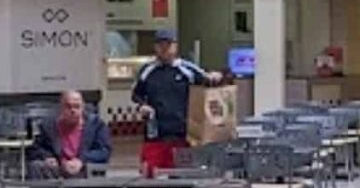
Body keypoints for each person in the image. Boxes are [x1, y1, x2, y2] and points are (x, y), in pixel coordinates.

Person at [130, 32, 229, 176]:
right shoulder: (147, 71)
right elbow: (136, 95)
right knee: (148, 175)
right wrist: (142, 106)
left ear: (175, 47)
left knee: (180, 178)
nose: (164, 49)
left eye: (168, 45)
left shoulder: (187, 69)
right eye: (160, 45)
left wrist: (217, 76)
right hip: (155, 134)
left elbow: (209, 82)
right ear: (155, 47)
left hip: (182, 134)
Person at [28, 88, 112, 180]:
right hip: (57, 169)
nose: (73, 110)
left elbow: (104, 151)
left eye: (77, 106)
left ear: (83, 107)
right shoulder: (49, 126)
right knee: (36, 166)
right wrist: (47, 157)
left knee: (78, 176)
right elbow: (35, 149)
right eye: (68, 106)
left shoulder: (96, 125)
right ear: (61, 107)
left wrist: (82, 161)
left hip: (84, 170)